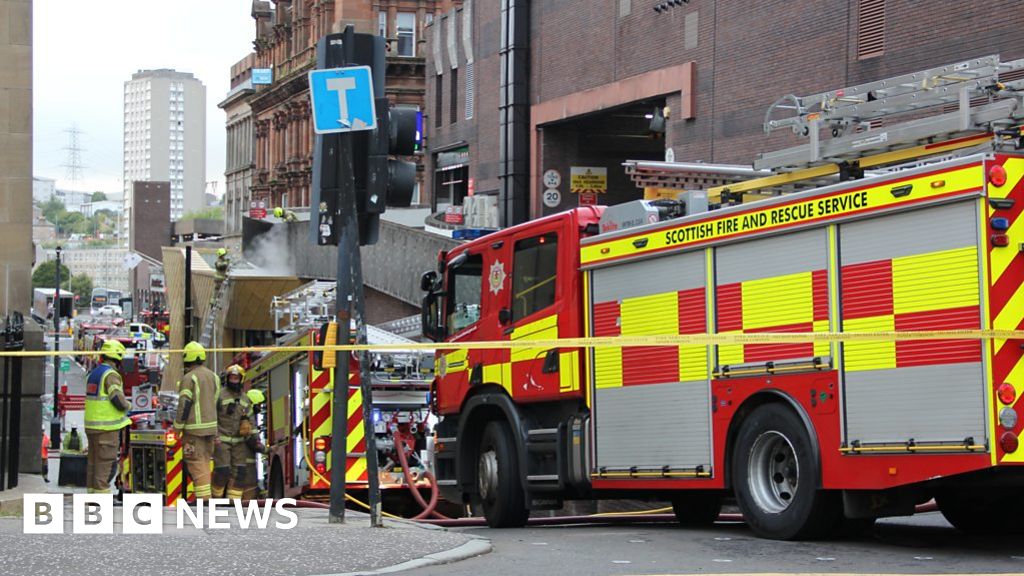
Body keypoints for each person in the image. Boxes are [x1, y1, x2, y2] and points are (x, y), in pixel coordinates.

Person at [84, 339, 131, 493]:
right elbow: (117, 399)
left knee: (93, 465)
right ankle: (101, 498)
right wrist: (128, 406)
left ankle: (92, 497)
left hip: (92, 427)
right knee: (105, 466)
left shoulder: (93, 374)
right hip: (106, 428)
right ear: (118, 357)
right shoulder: (111, 375)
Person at [174, 341, 220, 501]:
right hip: (211, 429)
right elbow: (215, 402)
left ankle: (204, 501)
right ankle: (205, 499)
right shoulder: (214, 377)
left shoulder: (189, 378)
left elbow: (184, 404)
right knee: (205, 462)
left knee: (196, 464)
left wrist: (177, 427)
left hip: (194, 431)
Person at [212, 365, 264, 500]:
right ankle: (216, 499)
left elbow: (251, 422)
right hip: (222, 440)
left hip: (239, 442)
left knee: (240, 473)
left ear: (241, 380)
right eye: (231, 378)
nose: (233, 381)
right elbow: (211, 417)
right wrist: (215, 435)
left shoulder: (245, 399)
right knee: (222, 471)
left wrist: (256, 440)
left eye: (236, 378)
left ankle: (233, 503)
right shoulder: (219, 396)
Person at [243, 388, 267, 501]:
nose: (260, 408)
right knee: (249, 486)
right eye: (258, 405)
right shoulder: (248, 419)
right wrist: (267, 450)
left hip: (243, 460)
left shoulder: (246, 416)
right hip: (245, 461)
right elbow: (252, 440)